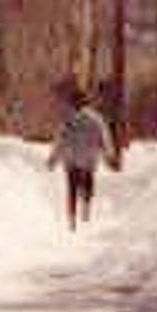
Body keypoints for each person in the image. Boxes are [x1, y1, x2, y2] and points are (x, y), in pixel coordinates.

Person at [47, 80, 113, 228]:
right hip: (89, 158)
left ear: (72, 103)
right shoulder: (96, 119)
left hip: (71, 159)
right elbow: (104, 136)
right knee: (88, 181)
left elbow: (60, 140)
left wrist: (53, 158)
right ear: (86, 102)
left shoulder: (67, 119)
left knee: (71, 187)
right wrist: (108, 154)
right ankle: (86, 204)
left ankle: (71, 216)